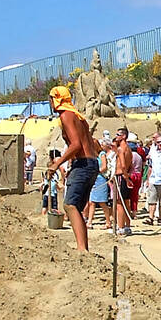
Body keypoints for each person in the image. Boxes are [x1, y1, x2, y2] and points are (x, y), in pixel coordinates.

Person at [50, 85, 100, 251]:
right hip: (91, 162)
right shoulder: (79, 117)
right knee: (77, 209)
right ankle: (83, 247)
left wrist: (57, 163)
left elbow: (76, 145)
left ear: (56, 99)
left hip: (83, 163)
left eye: (51, 98)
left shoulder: (66, 115)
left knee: (70, 205)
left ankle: (81, 249)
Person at [86, 139, 114, 231]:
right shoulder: (92, 155)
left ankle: (108, 221)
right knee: (92, 202)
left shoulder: (102, 154)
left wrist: (95, 171)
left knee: (102, 202)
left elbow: (104, 167)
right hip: (94, 178)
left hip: (100, 179)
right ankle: (89, 221)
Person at [112, 127, 135, 236]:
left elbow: (123, 165)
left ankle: (120, 227)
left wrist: (125, 177)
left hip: (121, 176)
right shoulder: (128, 149)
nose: (116, 137)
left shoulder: (122, 148)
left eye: (118, 135)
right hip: (124, 176)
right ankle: (127, 226)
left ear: (124, 136)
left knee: (120, 203)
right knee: (126, 202)